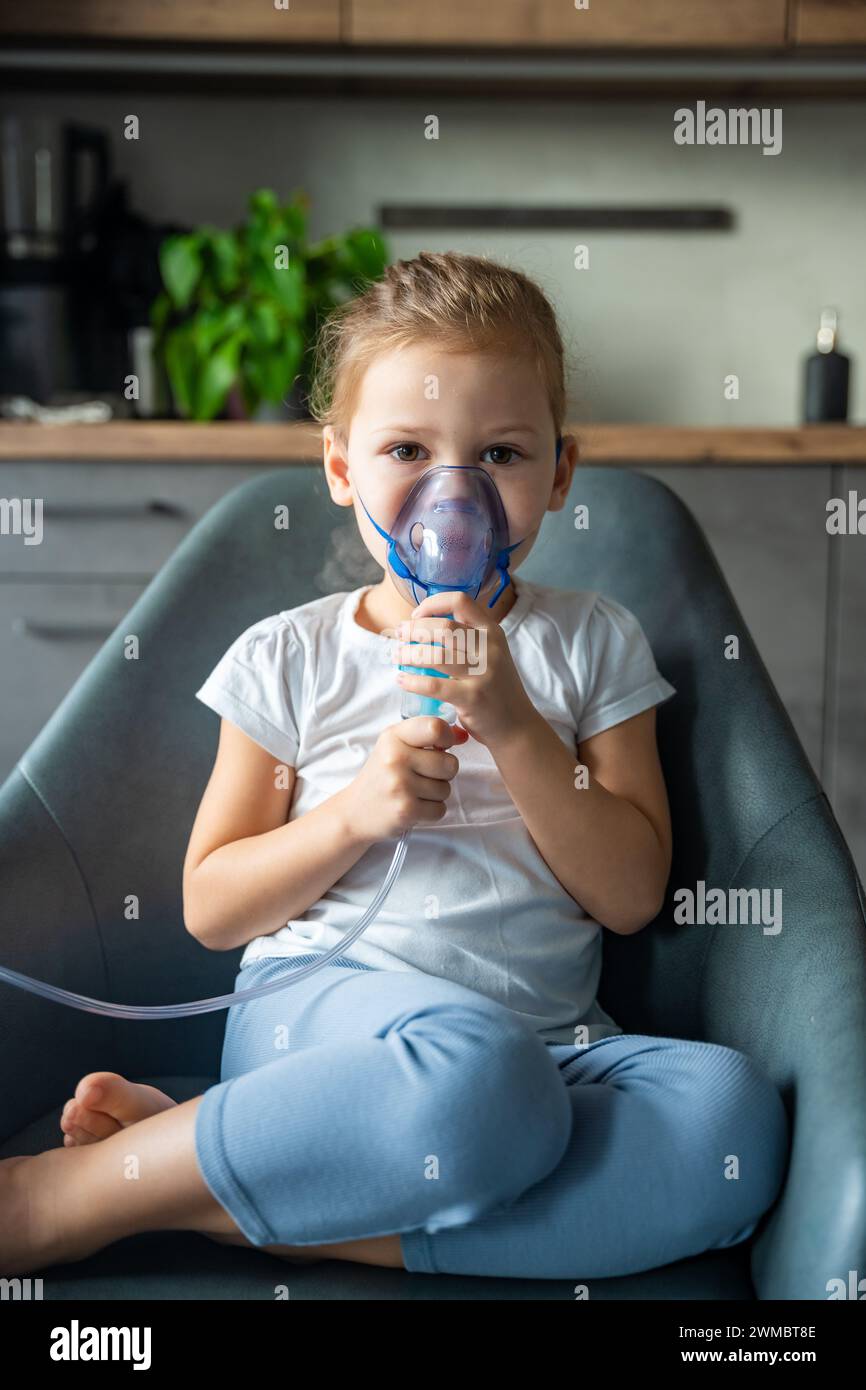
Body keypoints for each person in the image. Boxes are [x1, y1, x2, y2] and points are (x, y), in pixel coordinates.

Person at [0, 251, 788, 1280]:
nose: (451, 495)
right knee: (476, 1085)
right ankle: (63, 1196)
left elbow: (631, 892)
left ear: (559, 471)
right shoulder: (292, 654)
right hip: (326, 1027)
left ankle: (192, 1184)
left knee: (728, 1124)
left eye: (500, 453)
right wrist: (353, 817)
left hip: (549, 1045)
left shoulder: (594, 643)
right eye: (407, 447)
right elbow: (212, 905)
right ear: (340, 468)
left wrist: (513, 725)